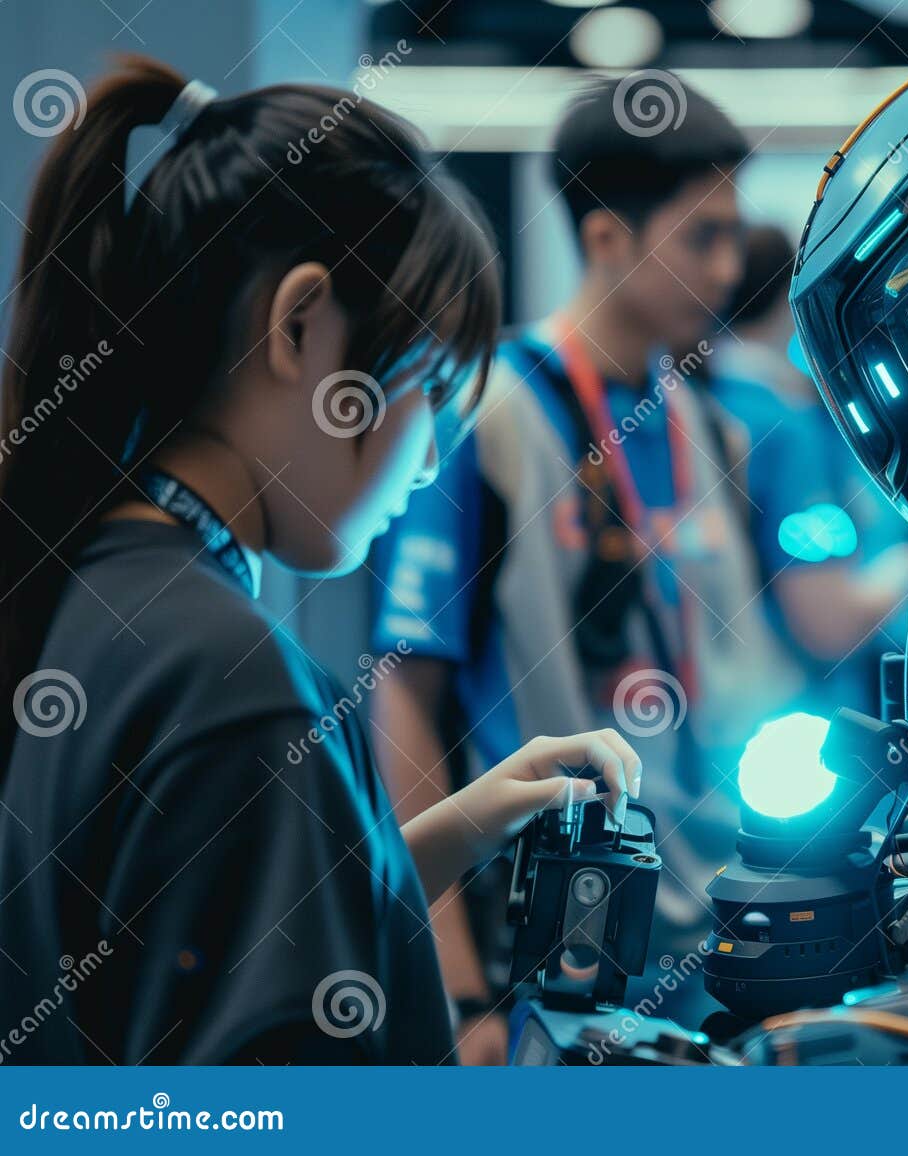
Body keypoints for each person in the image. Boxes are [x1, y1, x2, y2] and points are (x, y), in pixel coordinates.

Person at [0, 57, 640, 1064]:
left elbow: (210, 940)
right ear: (302, 328)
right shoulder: (237, 685)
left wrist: (454, 824)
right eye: (427, 386)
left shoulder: (109, 592)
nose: (429, 461)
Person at [368, 72, 798, 1057]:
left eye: (736, 233)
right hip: (540, 938)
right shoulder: (490, 419)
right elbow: (405, 700)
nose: (731, 267)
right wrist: (462, 991)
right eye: (703, 236)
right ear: (605, 237)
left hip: (711, 931)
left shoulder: (712, 426)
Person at [711, 223, 908, 711]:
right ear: (793, 297)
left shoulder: (688, 402)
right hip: (807, 715)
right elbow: (830, 626)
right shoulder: (788, 429)